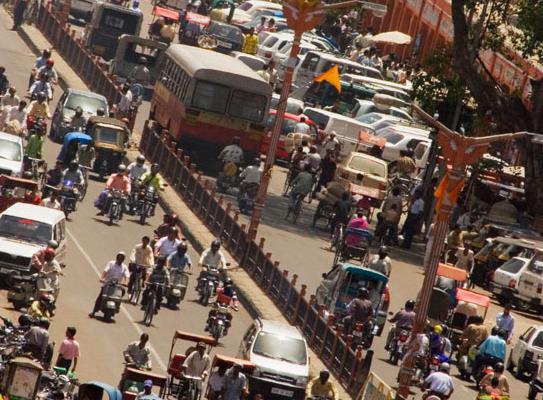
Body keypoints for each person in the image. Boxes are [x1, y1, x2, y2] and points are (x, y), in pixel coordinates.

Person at [89, 252, 130, 318]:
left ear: (123, 259)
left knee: (122, 293)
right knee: (100, 297)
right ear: (117, 257)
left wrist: (126, 282)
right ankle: (94, 312)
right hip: (108, 284)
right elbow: (105, 271)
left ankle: (117, 306)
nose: (120, 259)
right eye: (119, 257)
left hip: (117, 286)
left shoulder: (124, 267)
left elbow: (127, 276)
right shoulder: (111, 263)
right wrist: (102, 278)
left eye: (122, 258)